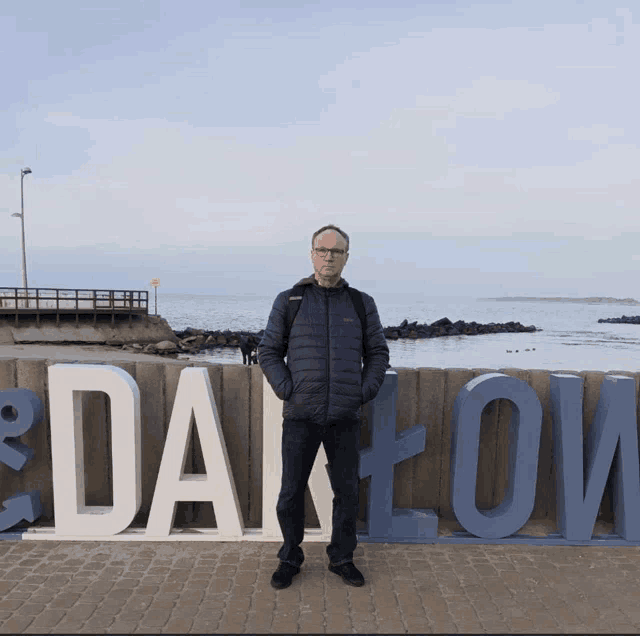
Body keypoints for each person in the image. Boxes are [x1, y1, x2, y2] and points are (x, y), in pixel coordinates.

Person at [258, 224, 390, 589]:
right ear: (312, 254)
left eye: (337, 251)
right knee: (291, 491)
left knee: (346, 492)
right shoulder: (290, 300)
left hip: (345, 415)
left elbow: (378, 353)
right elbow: (268, 351)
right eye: (323, 250)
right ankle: (290, 557)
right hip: (301, 415)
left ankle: (342, 557)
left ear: (347, 257)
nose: (329, 257)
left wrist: (363, 391)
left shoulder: (362, 303)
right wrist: (288, 389)